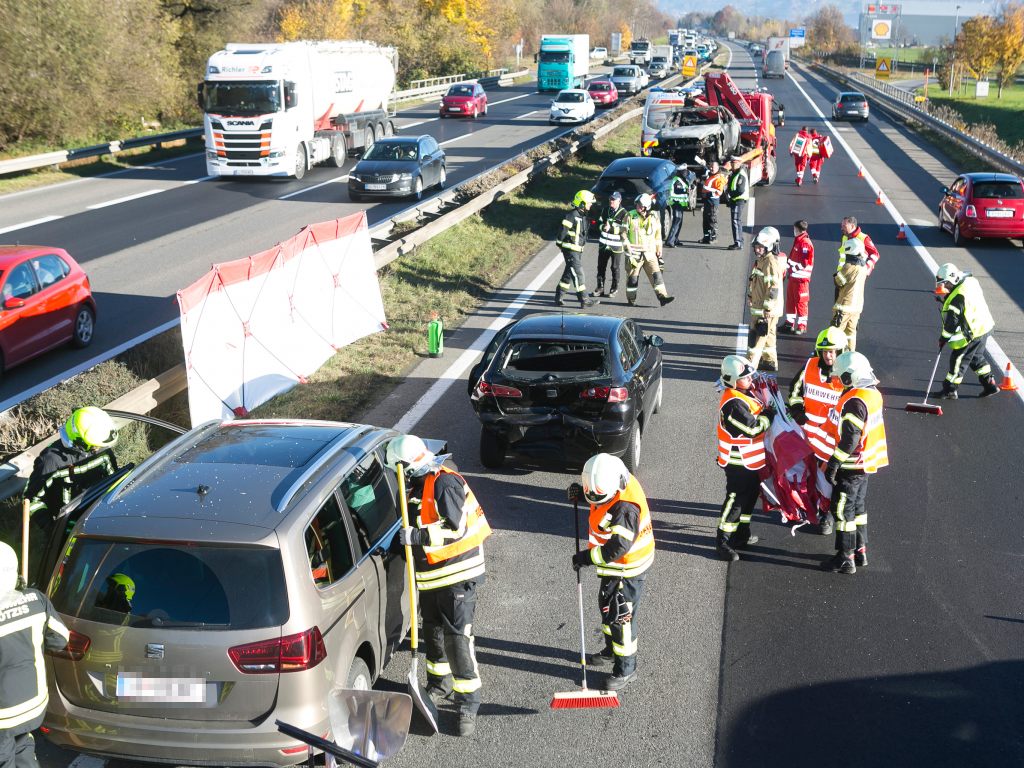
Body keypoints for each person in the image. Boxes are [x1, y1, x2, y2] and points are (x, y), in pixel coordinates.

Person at [390, 435, 491, 737]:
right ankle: (439, 683)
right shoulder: (417, 485)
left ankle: (469, 701)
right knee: (433, 632)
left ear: (409, 467)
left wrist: (415, 537)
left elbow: (454, 527)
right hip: (432, 578)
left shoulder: (445, 483)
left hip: (457, 575)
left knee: (457, 639)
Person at [568, 453, 655, 691]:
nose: (595, 499)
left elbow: (617, 548)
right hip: (614, 567)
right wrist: (583, 492)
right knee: (607, 607)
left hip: (627, 567)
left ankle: (626, 669)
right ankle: (611, 650)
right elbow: (602, 504)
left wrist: (585, 558)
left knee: (621, 618)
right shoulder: (612, 482)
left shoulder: (626, 509)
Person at [0, 541, 70, 768]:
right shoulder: (36, 600)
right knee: (22, 747)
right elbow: (60, 640)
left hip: (3, 714)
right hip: (33, 705)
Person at [822, 351, 888, 574]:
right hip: (866, 464)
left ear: (850, 377)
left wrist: (833, 463)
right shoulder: (873, 394)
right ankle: (861, 551)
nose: (838, 382)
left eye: (840, 378)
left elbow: (851, 438)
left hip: (851, 466)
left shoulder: (854, 401)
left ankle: (845, 557)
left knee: (842, 512)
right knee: (858, 508)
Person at [788, 327, 848, 536]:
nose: (828, 356)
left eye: (832, 351)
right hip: (809, 437)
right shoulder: (809, 366)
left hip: (832, 441)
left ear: (841, 351)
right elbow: (795, 391)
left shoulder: (847, 375)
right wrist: (797, 412)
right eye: (824, 351)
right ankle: (811, 507)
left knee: (831, 480)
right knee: (811, 477)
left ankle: (827, 516)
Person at [24, 406, 119, 535]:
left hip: (100, 515)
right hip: (68, 529)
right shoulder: (50, 461)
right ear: (78, 440)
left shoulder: (101, 447)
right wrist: (54, 530)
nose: (98, 449)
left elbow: (115, 480)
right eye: (94, 445)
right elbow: (32, 501)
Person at [715, 355, 774, 562]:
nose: (751, 379)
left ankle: (742, 534)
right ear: (732, 380)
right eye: (746, 377)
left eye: (750, 375)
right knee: (736, 501)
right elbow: (753, 429)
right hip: (737, 462)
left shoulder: (745, 394)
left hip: (751, 461)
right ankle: (723, 541)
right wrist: (769, 415)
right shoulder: (732, 403)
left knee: (749, 500)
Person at [933, 262, 998, 399]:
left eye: (945, 284)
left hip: (973, 332)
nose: (944, 287)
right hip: (984, 326)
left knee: (958, 360)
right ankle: (990, 384)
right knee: (976, 358)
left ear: (952, 280)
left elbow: (952, 322)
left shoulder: (957, 298)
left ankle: (950, 390)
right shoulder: (970, 281)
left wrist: (943, 338)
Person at [625, 193, 674, 307]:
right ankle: (631, 300)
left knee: (657, 276)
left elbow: (658, 235)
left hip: (650, 254)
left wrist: (659, 248)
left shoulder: (654, 217)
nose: (638, 207)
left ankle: (662, 297)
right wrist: (627, 249)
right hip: (634, 255)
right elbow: (624, 234)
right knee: (633, 279)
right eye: (637, 204)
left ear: (647, 207)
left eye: (640, 205)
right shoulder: (629, 216)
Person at [746, 226, 785, 372]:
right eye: (756, 247)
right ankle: (770, 361)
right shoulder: (761, 261)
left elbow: (773, 288)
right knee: (769, 336)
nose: (757, 250)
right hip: (760, 307)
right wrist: (751, 296)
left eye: (760, 247)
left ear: (768, 247)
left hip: (765, 310)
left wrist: (767, 308)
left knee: (756, 339)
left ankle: (749, 369)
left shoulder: (770, 263)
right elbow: (754, 281)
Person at [554, 190, 599, 308]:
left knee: (569, 272)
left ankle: (559, 295)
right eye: (589, 203)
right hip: (570, 249)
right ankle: (584, 299)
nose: (590, 205)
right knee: (578, 273)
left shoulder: (582, 216)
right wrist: (560, 243)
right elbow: (562, 232)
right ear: (582, 203)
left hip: (577, 250)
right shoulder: (572, 215)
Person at [832, 238, 868, 352]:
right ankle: (850, 355)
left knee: (836, 333)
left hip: (844, 307)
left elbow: (838, 281)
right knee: (851, 334)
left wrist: (836, 274)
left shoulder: (849, 266)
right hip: (857, 307)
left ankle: (835, 358)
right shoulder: (863, 267)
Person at [781, 220, 814, 335]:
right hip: (793, 278)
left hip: (801, 280)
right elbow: (793, 259)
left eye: (794, 229)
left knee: (801, 302)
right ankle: (789, 323)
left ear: (798, 230)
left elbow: (804, 262)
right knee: (790, 301)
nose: (793, 231)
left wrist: (790, 269)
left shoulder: (805, 243)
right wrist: (785, 267)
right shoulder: (799, 241)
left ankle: (802, 326)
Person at [594, 190, 629, 297]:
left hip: (616, 246)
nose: (611, 201)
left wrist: (611, 229)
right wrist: (602, 227)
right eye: (610, 199)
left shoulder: (624, 213)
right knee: (601, 267)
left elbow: (625, 229)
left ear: (619, 201)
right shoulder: (605, 210)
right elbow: (599, 223)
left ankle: (614, 288)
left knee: (614, 267)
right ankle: (600, 288)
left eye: (613, 200)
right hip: (604, 245)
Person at [663, 166, 694, 249]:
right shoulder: (677, 179)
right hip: (676, 203)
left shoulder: (682, 179)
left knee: (679, 223)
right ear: (681, 172)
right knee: (676, 222)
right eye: (684, 171)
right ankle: (670, 241)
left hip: (680, 204)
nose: (686, 173)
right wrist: (685, 190)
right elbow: (677, 190)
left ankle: (675, 239)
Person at [724, 156, 749, 251]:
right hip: (735, 200)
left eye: (734, 163)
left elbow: (740, 190)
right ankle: (738, 241)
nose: (732, 165)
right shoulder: (734, 173)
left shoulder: (741, 174)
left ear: (738, 163)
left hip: (738, 200)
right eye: (732, 163)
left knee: (735, 221)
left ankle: (738, 243)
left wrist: (731, 194)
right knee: (736, 221)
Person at [699, 160, 726, 244]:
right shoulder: (711, 175)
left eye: (713, 167)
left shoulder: (719, 178)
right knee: (706, 221)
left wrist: (707, 193)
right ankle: (706, 237)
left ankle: (713, 238)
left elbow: (719, 192)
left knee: (712, 221)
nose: (711, 168)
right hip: (707, 202)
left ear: (717, 168)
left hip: (712, 203)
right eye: (710, 166)